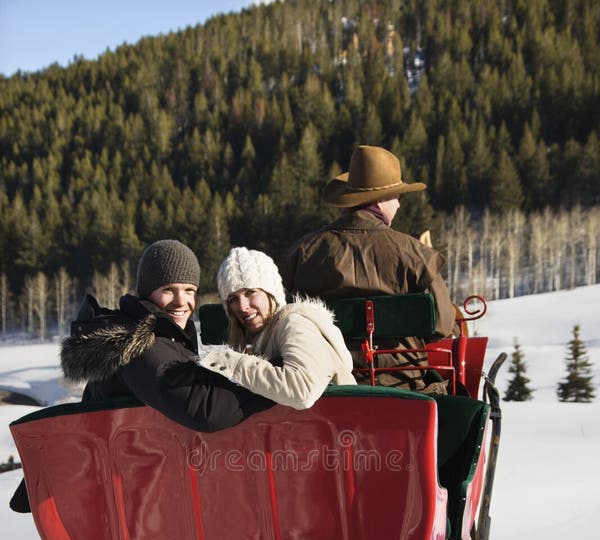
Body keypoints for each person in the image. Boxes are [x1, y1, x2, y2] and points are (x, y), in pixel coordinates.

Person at [9, 240, 273, 513]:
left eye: (189, 290)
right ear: (147, 294)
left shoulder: (166, 339)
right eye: (169, 290)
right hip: (112, 502)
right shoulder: (138, 345)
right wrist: (277, 383)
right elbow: (203, 408)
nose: (182, 301)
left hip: (134, 493)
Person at [278, 144, 457, 392]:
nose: (399, 205)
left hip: (324, 382)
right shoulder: (415, 254)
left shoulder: (302, 252)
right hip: (402, 384)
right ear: (381, 200)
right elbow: (441, 325)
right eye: (397, 197)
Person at [197, 247, 355, 409]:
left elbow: (302, 391)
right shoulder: (257, 337)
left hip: (343, 425)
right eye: (232, 299)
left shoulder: (294, 324)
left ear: (270, 293)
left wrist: (233, 364)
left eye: (250, 292)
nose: (242, 306)